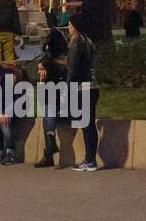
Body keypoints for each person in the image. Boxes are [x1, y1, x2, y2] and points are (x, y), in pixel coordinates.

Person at [66, 12, 100, 172]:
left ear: (76, 27)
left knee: (86, 125)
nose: (68, 27)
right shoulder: (89, 43)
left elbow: (72, 70)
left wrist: (67, 89)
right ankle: (90, 158)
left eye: (70, 24)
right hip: (93, 87)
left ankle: (90, 159)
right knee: (89, 124)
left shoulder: (75, 44)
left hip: (82, 88)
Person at [33, 29, 70, 168]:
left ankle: (49, 148)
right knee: (49, 111)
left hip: (70, 102)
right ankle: (50, 144)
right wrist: (42, 80)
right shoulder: (47, 65)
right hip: (56, 104)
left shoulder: (61, 64)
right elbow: (43, 98)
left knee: (49, 111)